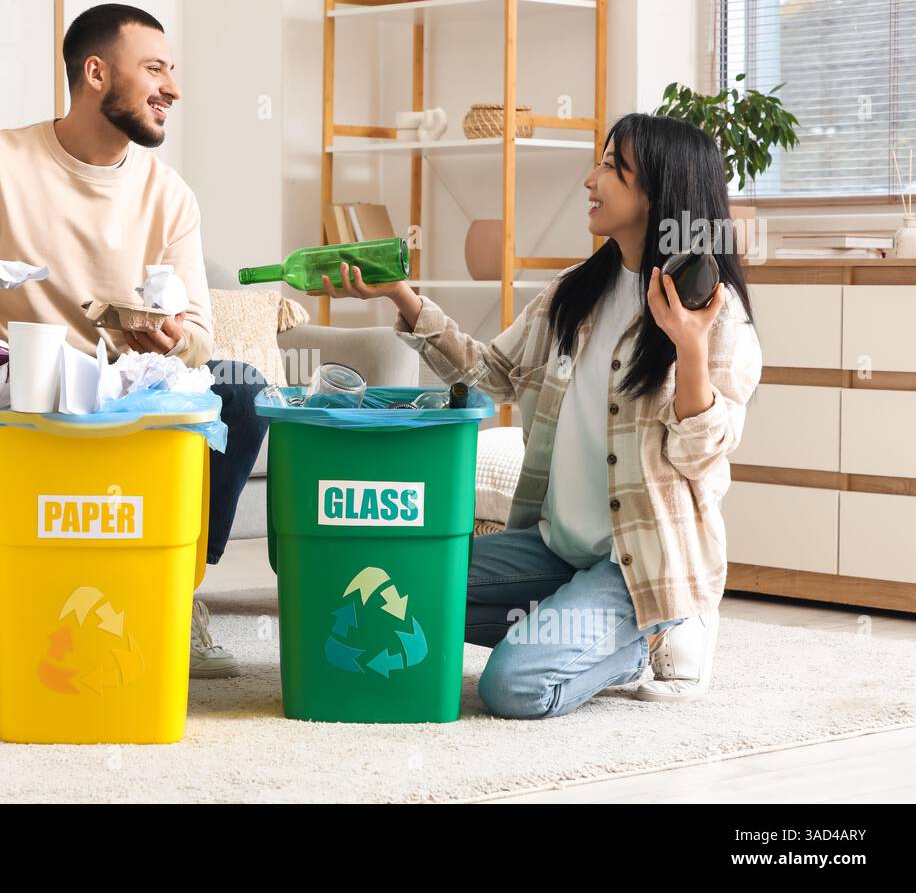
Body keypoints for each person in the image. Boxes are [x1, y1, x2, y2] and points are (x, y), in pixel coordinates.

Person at [321, 113, 763, 718]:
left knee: (514, 688)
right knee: (401, 587)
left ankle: (644, 641)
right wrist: (401, 295)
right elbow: (487, 374)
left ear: (660, 191)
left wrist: (688, 344)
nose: (591, 179)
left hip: (637, 568)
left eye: (613, 168)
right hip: (554, 549)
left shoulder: (717, 316)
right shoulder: (573, 293)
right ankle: (569, 621)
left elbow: (700, 456)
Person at [0, 3, 267, 679]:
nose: (172, 89)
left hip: (116, 390)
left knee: (243, 393)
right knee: (35, 418)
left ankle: (171, 592)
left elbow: (201, 340)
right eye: (155, 69)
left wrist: (171, 338)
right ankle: (50, 605)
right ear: (96, 73)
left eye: (172, 72)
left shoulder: (169, 196)